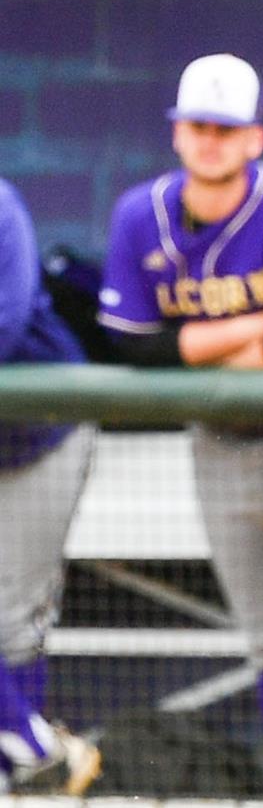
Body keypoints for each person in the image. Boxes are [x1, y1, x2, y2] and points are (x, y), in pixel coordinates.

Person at [98, 52, 263, 803]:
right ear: (177, 133)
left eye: (226, 128)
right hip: (215, 442)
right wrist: (257, 326)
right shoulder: (135, 214)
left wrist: (196, 351)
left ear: (254, 138)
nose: (210, 140)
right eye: (197, 126)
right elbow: (130, 345)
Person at [0, 179, 100, 794]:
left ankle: (23, 766)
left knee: (14, 622)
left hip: (39, 434)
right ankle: (33, 747)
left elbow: (5, 324)